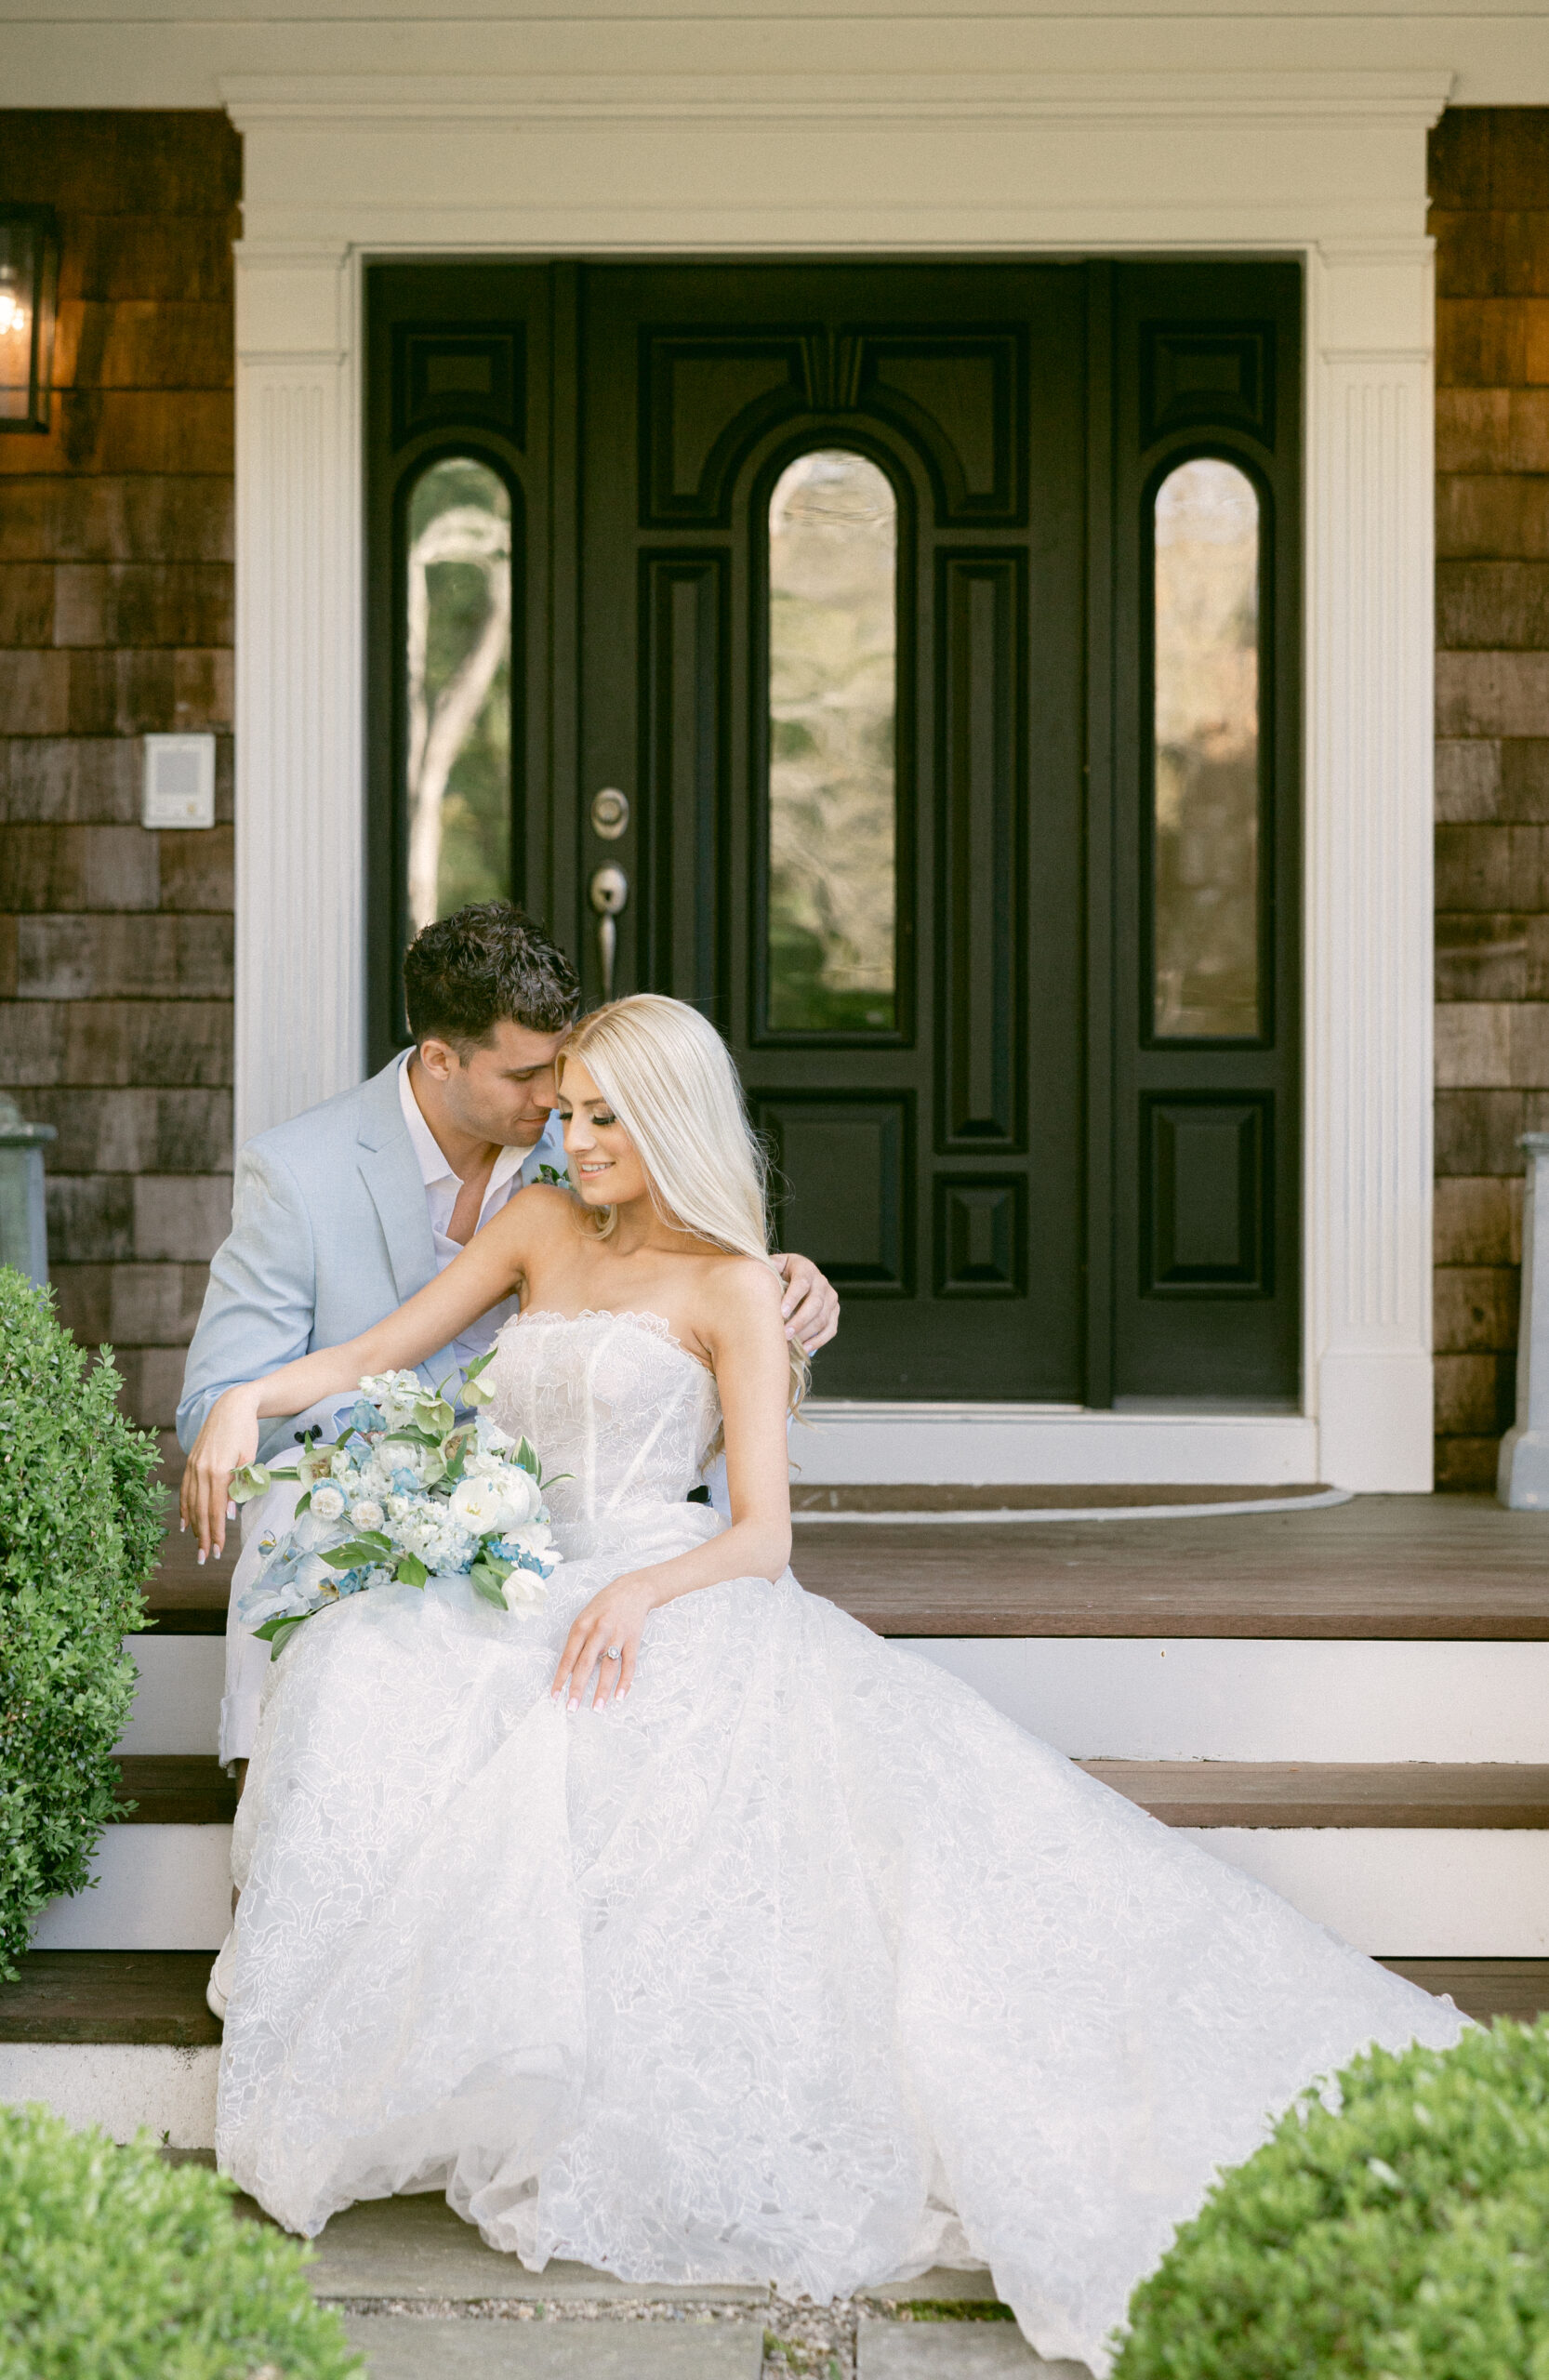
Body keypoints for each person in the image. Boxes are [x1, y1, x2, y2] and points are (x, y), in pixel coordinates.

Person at [181, 995, 1464, 2378]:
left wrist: (638, 1588)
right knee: (367, 1666)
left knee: (639, 1741)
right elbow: (377, 1351)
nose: (576, 1138)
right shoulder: (542, 1227)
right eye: (568, 1111)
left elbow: (760, 1535)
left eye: (607, 1116)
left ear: (669, 1118)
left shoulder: (735, 1286)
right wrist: (249, 1401)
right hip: (525, 1573)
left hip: (672, 1578)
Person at [178, 903, 839, 1765]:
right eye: (538, 1086)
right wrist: (294, 1422)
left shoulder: (575, 1162)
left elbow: (678, 1234)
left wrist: (773, 1271)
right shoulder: (305, 1173)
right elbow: (332, 1369)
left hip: (607, 1535)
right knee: (318, 1577)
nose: (558, 1120)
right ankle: (271, 1779)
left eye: (572, 1092)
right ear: (441, 1059)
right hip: (388, 1487)